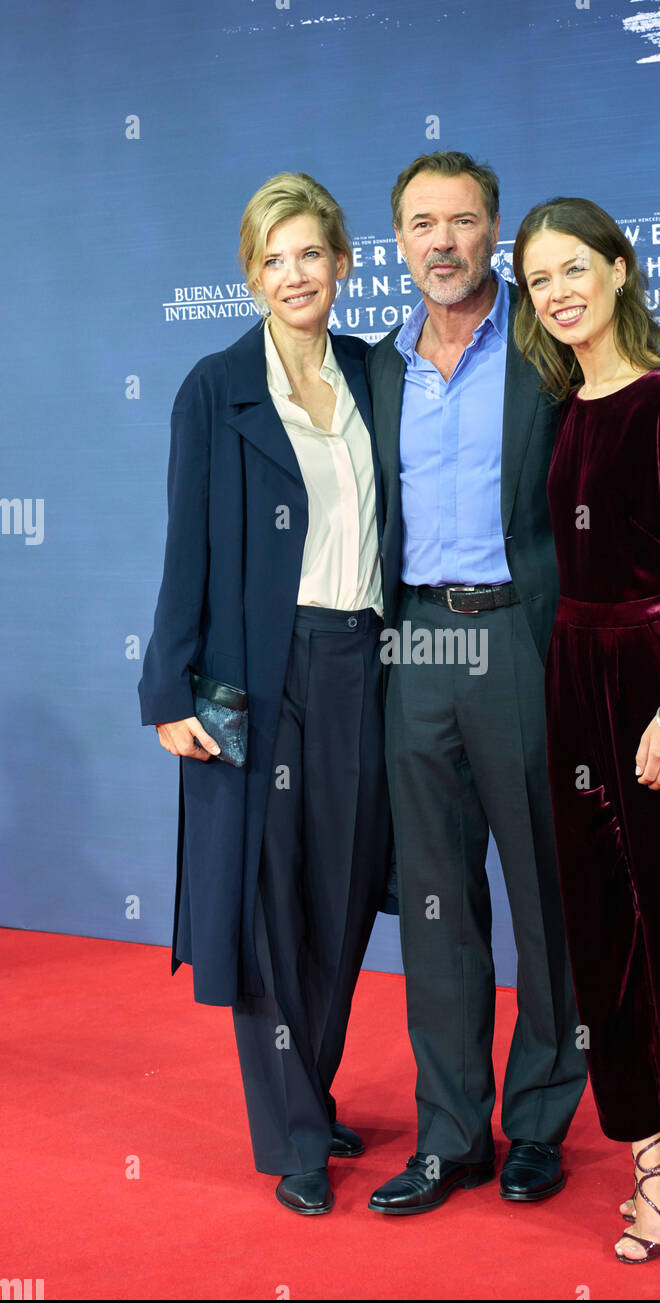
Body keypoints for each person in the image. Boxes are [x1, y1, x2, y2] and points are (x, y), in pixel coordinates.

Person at [364, 152, 660, 1216]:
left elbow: (654, 428)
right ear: (397, 242)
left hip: (529, 651)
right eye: (421, 223)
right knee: (436, 912)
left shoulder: (541, 350)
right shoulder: (373, 367)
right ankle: (450, 1136)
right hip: (414, 652)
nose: (443, 241)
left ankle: (538, 1121)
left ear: (495, 236)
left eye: (465, 221)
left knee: (555, 899)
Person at [138, 172, 395, 1216]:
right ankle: (292, 1131)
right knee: (265, 905)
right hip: (255, 674)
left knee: (341, 897)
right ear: (250, 275)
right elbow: (185, 546)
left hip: (367, 666)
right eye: (271, 258)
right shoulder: (215, 387)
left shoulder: (382, 378)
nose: (293, 274)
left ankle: (311, 1088)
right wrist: (168, 689)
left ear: (341, 262)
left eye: (310, 253)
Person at [512, 195, 660, 1263]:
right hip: (573, 668)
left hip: (654, 663)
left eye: (572, 269)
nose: (557, 292)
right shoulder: (565, 399)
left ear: (618, 268)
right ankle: (647, 1138)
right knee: (597, 922)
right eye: (538, 279)